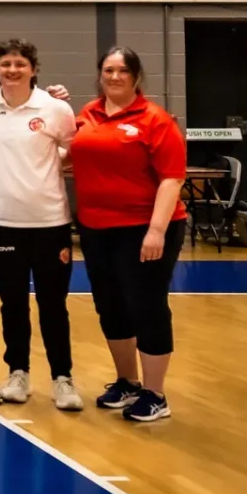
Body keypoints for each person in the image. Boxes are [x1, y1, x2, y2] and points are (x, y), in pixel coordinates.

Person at [69, 47, 187, 424]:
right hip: (95, 227)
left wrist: (156, 230)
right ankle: (128, 381)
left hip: (143, 228)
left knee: (147, 306)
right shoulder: (87, 114)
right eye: (108, 70)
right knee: (110, 305)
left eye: (122, 70)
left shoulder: (155, 120)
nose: (114, 76)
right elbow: (66, 155)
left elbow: (172, 178)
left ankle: (155, 393)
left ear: (136, 76)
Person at [0, 40, 81, 410]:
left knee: (54, 304)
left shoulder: (56, 108)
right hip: (2, 221)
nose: (12, 70)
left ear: (33, 68)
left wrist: (50, 163)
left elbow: (75, 149)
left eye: (20, 64)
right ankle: (17, 372)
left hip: (50, 222)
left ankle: (62, 378)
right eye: (5, 64)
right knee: (12, 304)